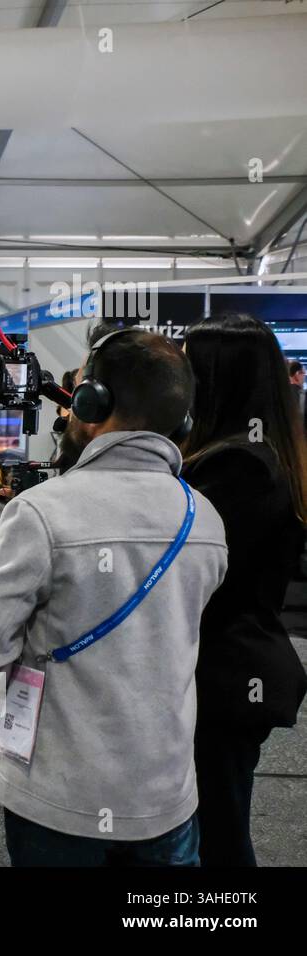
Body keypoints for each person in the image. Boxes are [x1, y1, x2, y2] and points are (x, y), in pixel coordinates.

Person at [0, 324, 228, 867]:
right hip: (165, 795)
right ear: (184, 421)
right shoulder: (207, 520)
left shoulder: (41, 512)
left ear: (89, 401)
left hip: (58, 795)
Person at [182, 314, 307, 866]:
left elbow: (190, 567)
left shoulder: (240, 465)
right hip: (230, 665)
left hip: (228, 671)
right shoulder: (257, 455)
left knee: (217, 832)